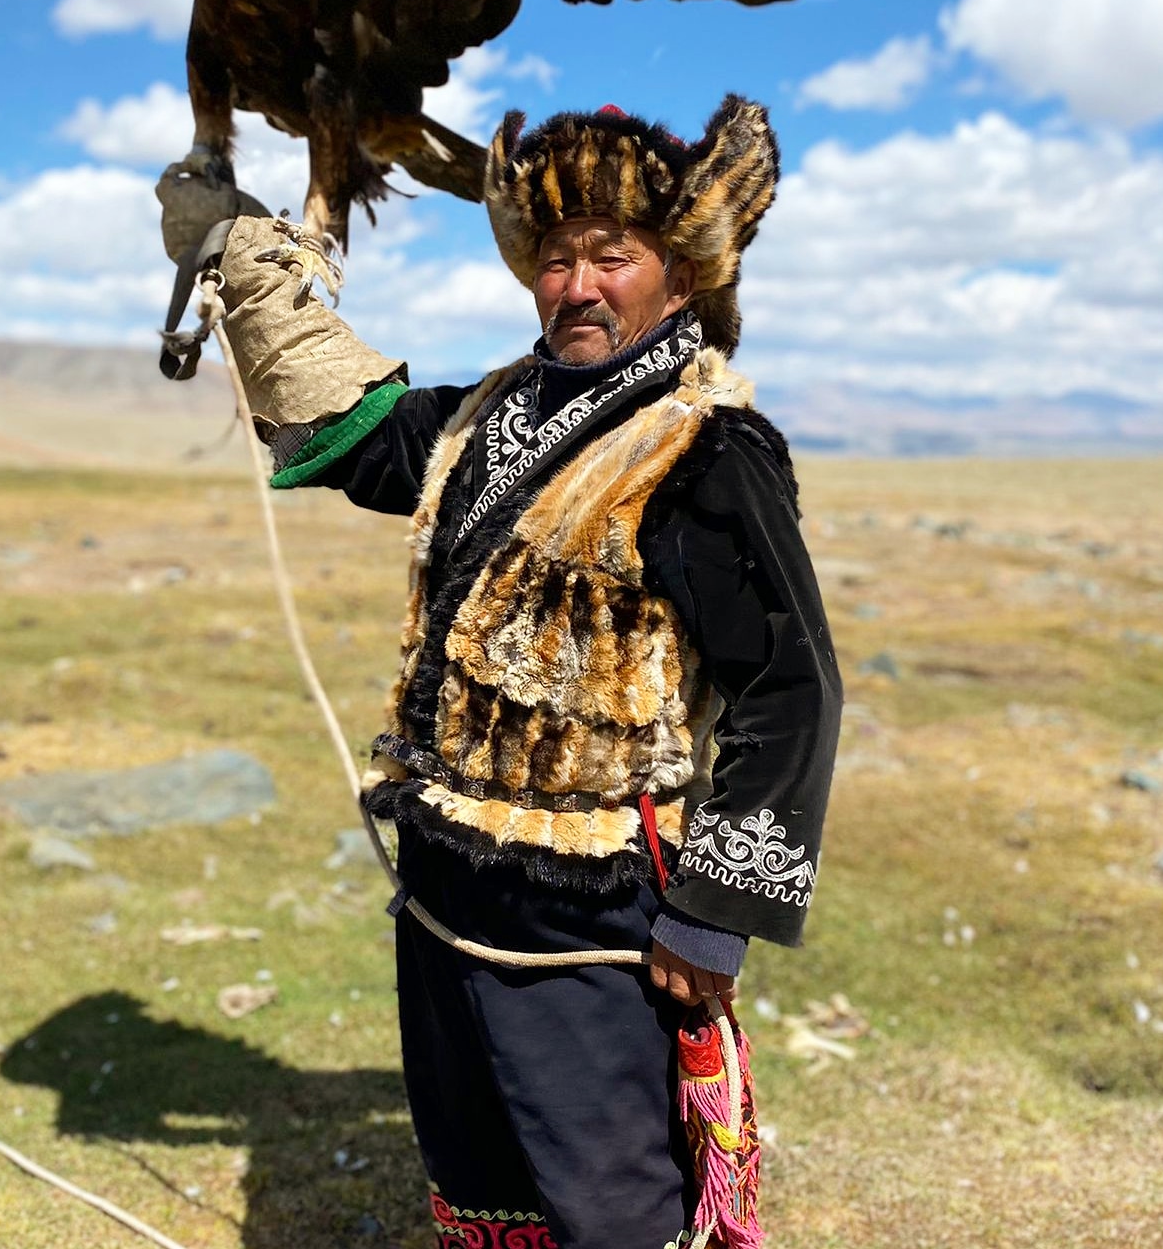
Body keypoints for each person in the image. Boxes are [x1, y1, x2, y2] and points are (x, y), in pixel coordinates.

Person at [206, 97, 842, 1249]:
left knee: (607, 1200)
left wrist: (712, 919)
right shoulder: (492, 414)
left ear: (680, 278)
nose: (580, 285)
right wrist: (252, 280)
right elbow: (360, 437)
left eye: (615, 255)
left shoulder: (709, 448)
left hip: (592, 899)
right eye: (557, 258)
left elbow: (789, 689)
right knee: (478, 1168)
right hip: (446, 867)